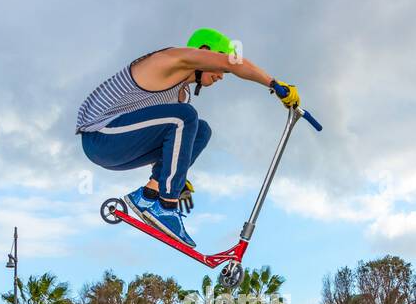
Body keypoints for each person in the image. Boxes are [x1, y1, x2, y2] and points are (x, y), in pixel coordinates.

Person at [76, 28, 299, 246]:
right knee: (185, 117)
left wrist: (176, 174)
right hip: (100, 136)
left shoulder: (182, 95)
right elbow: (233, 62)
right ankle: (166, 207)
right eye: (219, 67)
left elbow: (170, 144)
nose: (221, 76)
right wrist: (274, 84)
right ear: (204, 51)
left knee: (201, 130)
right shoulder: (172, 58)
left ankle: (149, 195)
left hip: (122, 148)